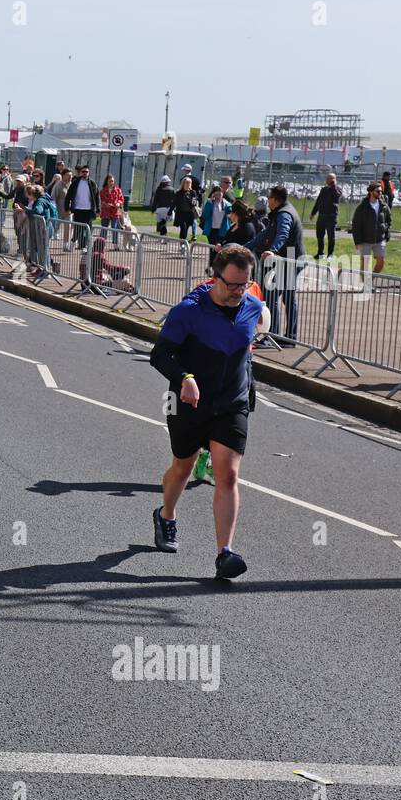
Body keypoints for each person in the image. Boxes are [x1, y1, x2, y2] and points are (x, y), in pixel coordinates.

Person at [149, 244, 268, 579]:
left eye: (242, 284)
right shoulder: (188, 311)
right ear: (214, 276)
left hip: (232, 404)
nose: (236, 292)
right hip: (189, 404)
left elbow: (245, 353)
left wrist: (249, 387)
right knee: (183, 468)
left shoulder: (252, 306)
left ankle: (224, 554)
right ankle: (167, 514)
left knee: (227, 475)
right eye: (230, 284)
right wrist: (184, 377)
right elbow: (160, 355)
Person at [244, 185, 306, 345]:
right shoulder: (281, 212)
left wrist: (272, 250)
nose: (268, 201)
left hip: (289, 260)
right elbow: (266, 233)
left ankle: (274, 337)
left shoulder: (284, 214)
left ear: (275, 200)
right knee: (286, 298)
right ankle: (286, 338)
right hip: (289, 259)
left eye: (270, 198)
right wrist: (246, 247)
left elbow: (283, 233)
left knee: (272, 295)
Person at [349, 181, 391, 276]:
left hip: (379, 240)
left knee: (381, 263)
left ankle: (370, 280)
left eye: (381, 191)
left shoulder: (384, 206)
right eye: (377, 191)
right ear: (371, 192)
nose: (380, 193)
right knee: (365, 264)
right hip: (365, 240)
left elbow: (388, 220)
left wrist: (386, 233)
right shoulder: (362, 207)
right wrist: (358, 242)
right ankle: (366, 285)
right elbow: (356, 225)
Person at [308, 172, 341, 258]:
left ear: (333, 180)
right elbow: (318, 202)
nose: (327, 180)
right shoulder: (323, 190)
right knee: (319, 235)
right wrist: (313, 213)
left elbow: (337, 196)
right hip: (321, 216)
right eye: (327, 178)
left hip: (331, 217)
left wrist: (333, 185)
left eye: (329, 179)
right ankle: (320, 253)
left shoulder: (337, 189)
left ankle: (330, 254)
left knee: (331, 236)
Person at [66, 166, 99, 247]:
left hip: (88, 210)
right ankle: (73, 244)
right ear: (80, 172)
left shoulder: (92, 183)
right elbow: (68, 195)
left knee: (87, 229)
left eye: (86, 172)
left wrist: (98, 209)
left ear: (89, 173)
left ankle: (84, 246)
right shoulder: (75, 182)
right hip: (77, 209)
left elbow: (97, 197)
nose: (85, 173)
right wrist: (67, 207)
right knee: (77, 228)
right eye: (83, 171)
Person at [199, 186, 232, 267]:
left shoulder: (227, 204)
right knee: (213, 248)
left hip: (222, 230)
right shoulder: (209, 203)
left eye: (220, 195)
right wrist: (209, 204)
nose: (218, 197)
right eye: (216, 195)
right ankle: (211, 266)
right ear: (213, 194)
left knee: (218, 249)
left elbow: (230, 215)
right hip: (211, 230)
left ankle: (215, 266)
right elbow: (204, 216)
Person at [99, 173, 125, 246]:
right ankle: (101, 243)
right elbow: (101, 200)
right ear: (106, 181)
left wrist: (118, 203)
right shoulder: (103, 191)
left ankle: (115, 244)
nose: (111, 183)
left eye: (112, 181)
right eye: (110, 181)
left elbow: (121, 199)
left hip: (115, 212)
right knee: (104, 228)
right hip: (105, 212)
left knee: (115, 228)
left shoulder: (117, 190)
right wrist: (106, 204)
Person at [172, 176, 200, 243]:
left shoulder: (193, 192)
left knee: (186, 229)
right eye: (186, 183)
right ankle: (182, 244)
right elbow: (174, 202)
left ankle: (183, 242)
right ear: (183, 184)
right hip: (181, 214)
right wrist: (170, 210)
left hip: (189, 214)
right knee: (183, 228)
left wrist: (190, 199)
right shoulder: (179, 193)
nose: (188, 184)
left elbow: (194, 203)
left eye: (189, 183)